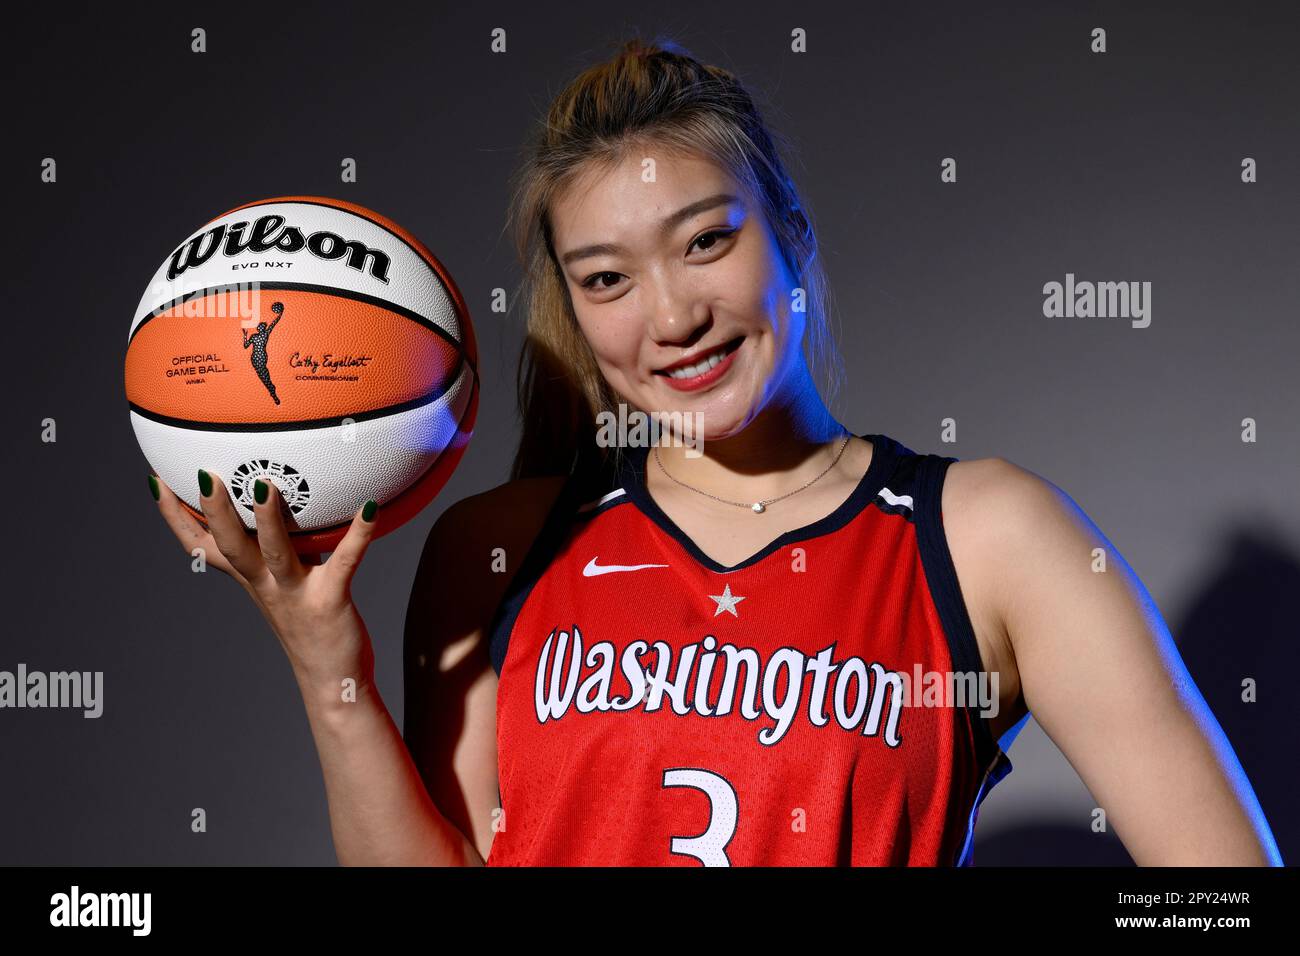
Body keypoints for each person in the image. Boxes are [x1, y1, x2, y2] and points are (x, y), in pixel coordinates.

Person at [147, 38, 1281, 866]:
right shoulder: (501, 545)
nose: (670, 314)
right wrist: (323, 661)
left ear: (789, 233)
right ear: (575, 309)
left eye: (706, 241)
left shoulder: (985, 536)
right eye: (606, 278)